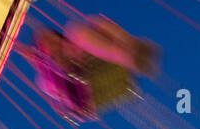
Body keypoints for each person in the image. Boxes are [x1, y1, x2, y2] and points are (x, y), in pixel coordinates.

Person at [30, 17, 160, 120]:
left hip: (112, 72)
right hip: (88, 92)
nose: (54, 45)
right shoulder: (47, 77)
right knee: (78, 33)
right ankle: (130, 55)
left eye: (54, 40)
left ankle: (133, 50)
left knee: (94, 25)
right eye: (47, 44)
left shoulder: (71, 44)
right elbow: (64, 96)